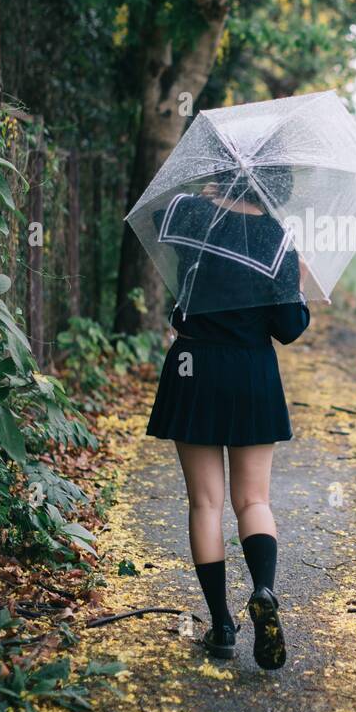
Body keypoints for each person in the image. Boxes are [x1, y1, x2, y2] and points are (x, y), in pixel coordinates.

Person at [145, 166, 310, 669]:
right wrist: (296, 284)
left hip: (194, 365)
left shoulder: (190, 213)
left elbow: (154, 221)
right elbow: (290, 328)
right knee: (253, 498)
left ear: (226, 177)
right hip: (251, 372)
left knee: (205, 502)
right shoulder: (279, 243)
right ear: (277, 189)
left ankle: (220, 625)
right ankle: (262, 590)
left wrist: (205, 195)